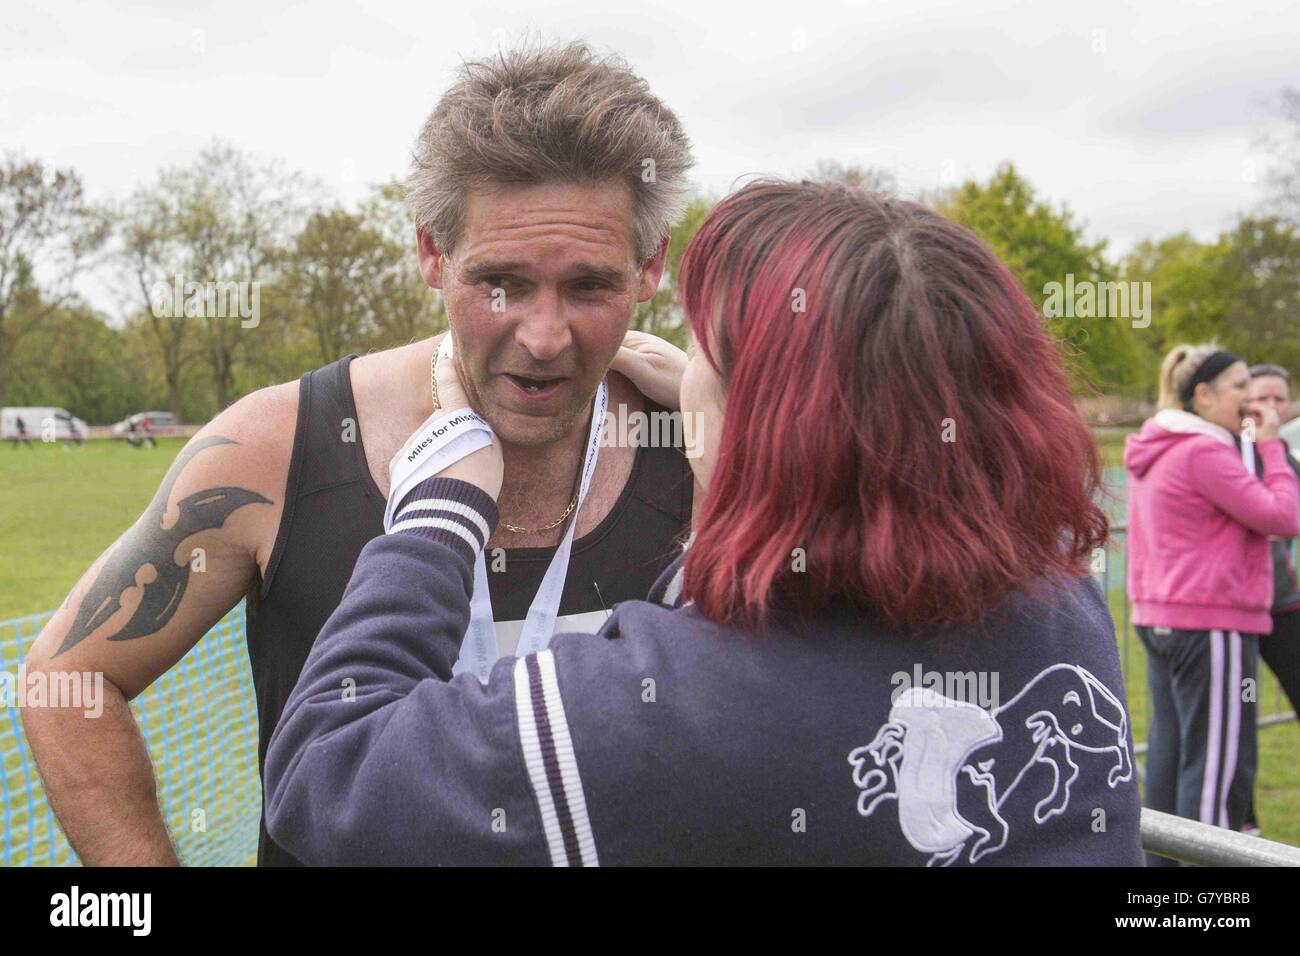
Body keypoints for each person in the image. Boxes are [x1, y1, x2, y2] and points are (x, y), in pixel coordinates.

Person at [264, 179, 1145, 866]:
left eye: (712, 364)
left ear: (772, 429)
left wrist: (442, 504)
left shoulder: (671, 708)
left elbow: (328, 771)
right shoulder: (1059, 610)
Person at [21, 41, 696, 866]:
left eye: (590, 287)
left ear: (650, 266)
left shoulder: (699, 452)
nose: (545, 336)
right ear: (431, 254)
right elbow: (68, 680)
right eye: (501, 284)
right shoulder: (277, 446)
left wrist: (737, 436)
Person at [1125, 345, 1300, 863]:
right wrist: (1269, 446)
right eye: (1240, 386)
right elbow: (1283, 517)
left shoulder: (1160, 444)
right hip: (1211, 622)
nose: (1252, 399)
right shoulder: (1204, 451)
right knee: (1218, 769)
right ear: (1203, 395)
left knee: (1171, 756)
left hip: (1161, 617)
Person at [1247, 363, 1300, 711]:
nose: (1271, 407)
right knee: (1235, 709)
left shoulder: (1287, 461)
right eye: (1261, 397)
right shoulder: (1224, 453)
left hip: (1281, 598)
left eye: (1279, 399)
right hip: (1231, 606)